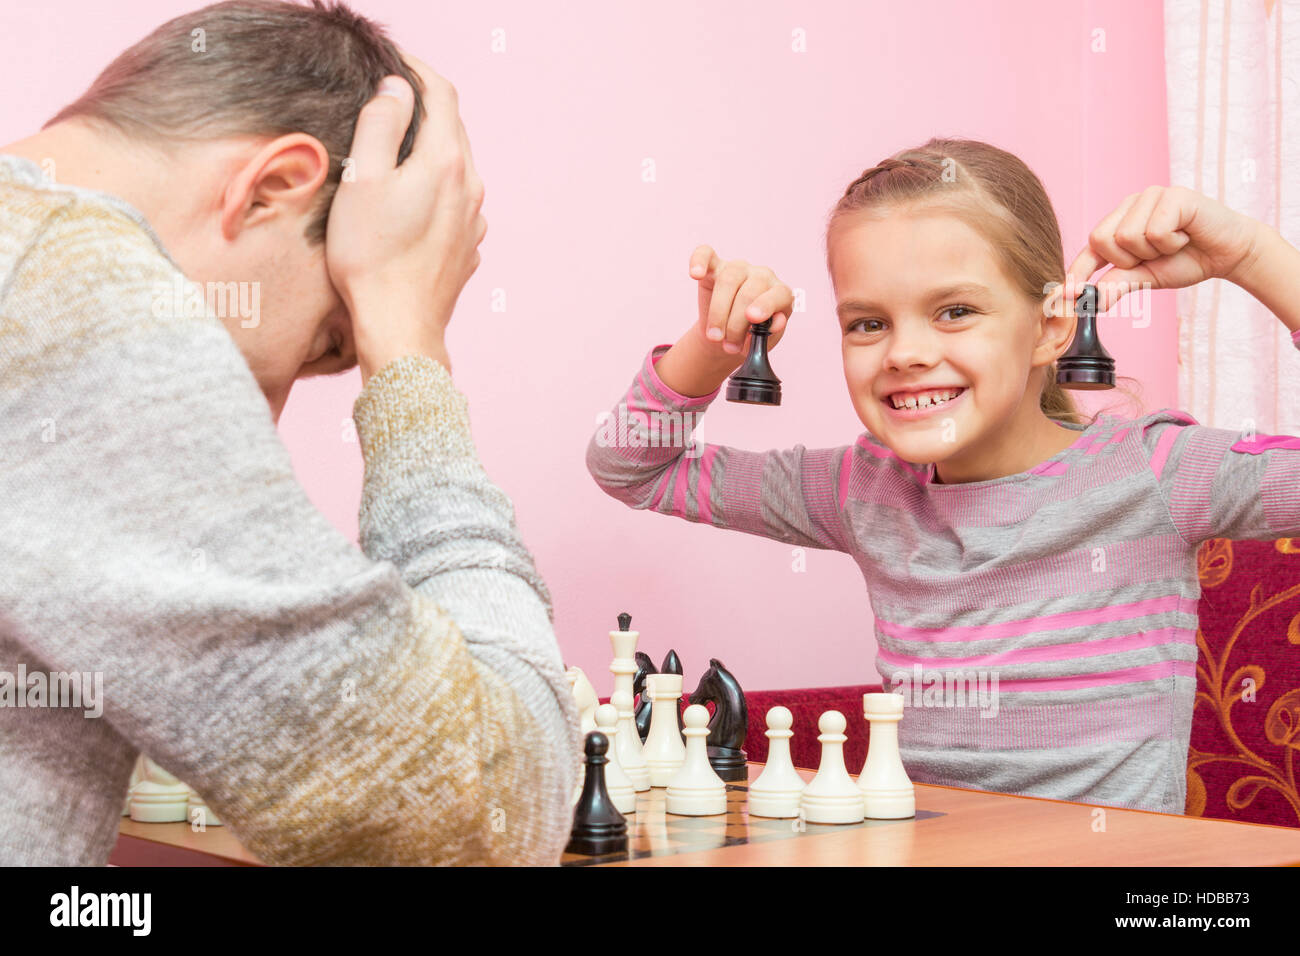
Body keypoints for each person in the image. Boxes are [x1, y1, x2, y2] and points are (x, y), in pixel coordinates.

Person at [0, 0, 578, 865]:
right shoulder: (86, 304)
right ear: (271, 186)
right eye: (320, 345)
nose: (262, 421)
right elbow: (479, 819)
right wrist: (408, 349)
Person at [586, 137, 1300, 814]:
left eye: (954, 312)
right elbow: (630, 467)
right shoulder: (861, 489)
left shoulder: (1157, 473)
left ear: (1053, 327)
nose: (906, 353)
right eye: (868, 324)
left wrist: (1254, 255)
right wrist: (716, 347)